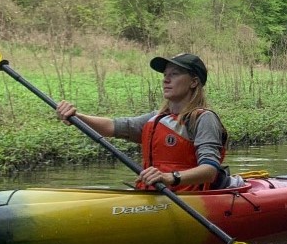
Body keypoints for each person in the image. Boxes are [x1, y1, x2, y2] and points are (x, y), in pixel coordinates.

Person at [54, 53, 237, 191]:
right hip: (155, 194)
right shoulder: (156, 118)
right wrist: (77, 117)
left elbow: (209, 170)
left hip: (191, 198)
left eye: (175, 74)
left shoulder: (203, 119)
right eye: (165, 74)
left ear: (194, 82)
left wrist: (169, 178)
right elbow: (113, 127)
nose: (166, 79)